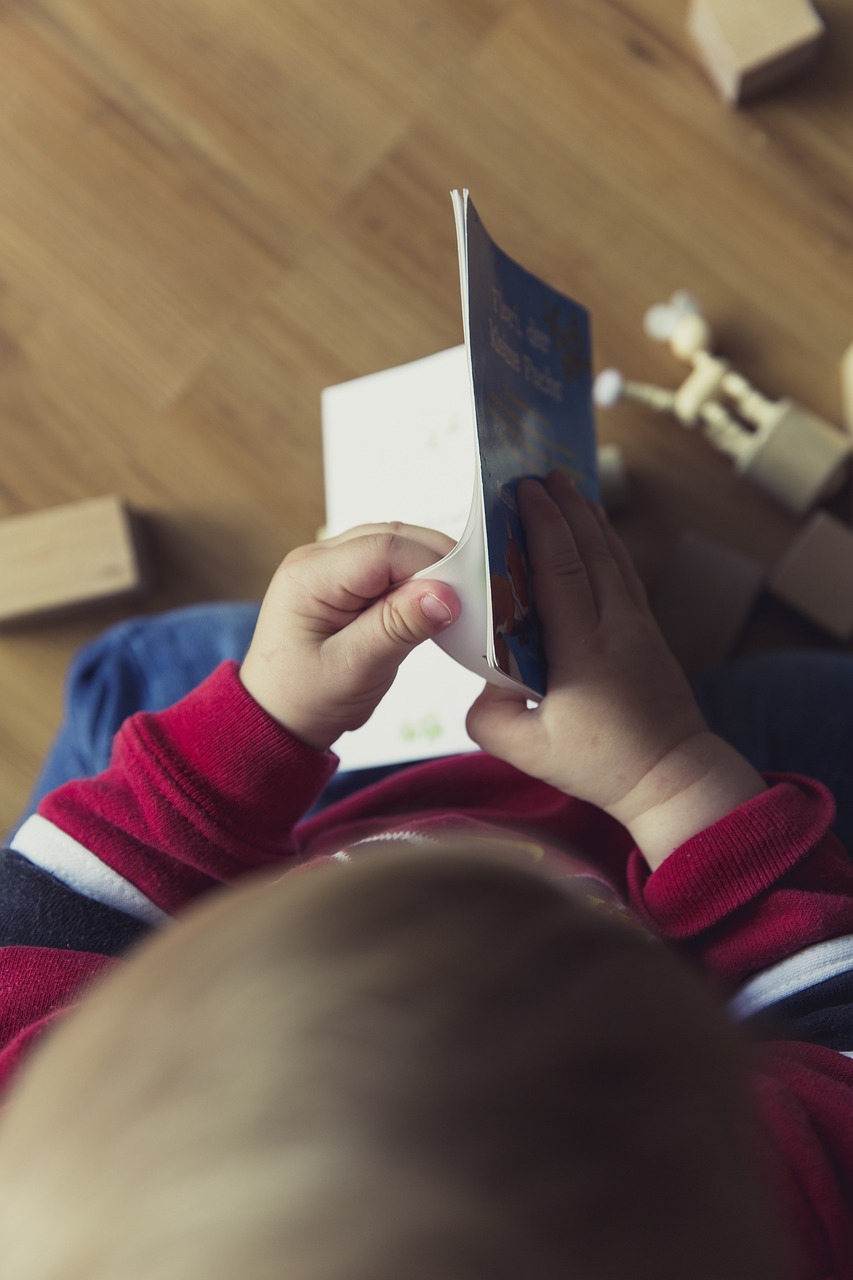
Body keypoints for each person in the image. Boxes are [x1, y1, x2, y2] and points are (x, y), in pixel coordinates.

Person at [0, 471, 851, 1279]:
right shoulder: (777, 1223)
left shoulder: (35, 1135)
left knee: (145, 664)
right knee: (802, 705)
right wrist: (670, 774)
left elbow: (51, 909)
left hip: (285, 818)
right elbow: (830, 1023)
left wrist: (262, 721)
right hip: (674, 859)